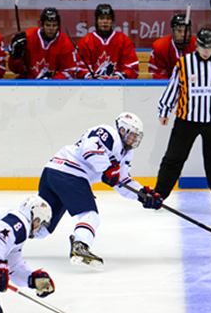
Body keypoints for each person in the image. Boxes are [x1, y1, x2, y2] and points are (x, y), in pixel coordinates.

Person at [36, 112, 161, 269]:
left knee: (41, 229)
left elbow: (121, 181)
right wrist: (107, 169)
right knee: (90, 216)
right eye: (133, 135)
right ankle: (80, 246)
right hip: (70, 173)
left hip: (54, 171)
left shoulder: (127, 153)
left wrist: (142, 194)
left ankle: (10, 230)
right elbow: (89, 149)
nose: (135, 140)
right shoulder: (109, 133)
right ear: (123, 130)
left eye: (137, 137)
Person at [155, 28, 211, 206]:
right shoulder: (184, 63)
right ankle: (159, 194)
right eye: (203, 47)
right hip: (186, 121)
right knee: (173, 158)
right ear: (196, 46)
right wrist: (165, 110)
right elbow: (173, 87)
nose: (206, 51)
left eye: (210, 47)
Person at [7, 7, 79, 79]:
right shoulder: (29, 36)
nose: (51, 28)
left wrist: (50, 82)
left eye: (54, 25)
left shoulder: (65, 43)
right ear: (41, 25)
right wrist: (15, 57)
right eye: (47, 25)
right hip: (28, 82)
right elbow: (15, 69)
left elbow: (68, 72)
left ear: (58, 26)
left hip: (54, 85)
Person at [75, 4, 138, 79]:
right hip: (92, 85)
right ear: (96, 21)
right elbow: (80, 68)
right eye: (101, 18)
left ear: (112, 21)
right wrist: (89, 76)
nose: (105, 22)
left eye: (108, 19)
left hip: (118, 85)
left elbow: (131, 67)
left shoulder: (123, 40)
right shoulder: (86, 41)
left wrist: (120, 76)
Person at [148, 12, 196, 80]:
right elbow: (158, 74)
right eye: (179, 31)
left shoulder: (197, 45)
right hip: (167, 84)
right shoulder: (160, 47)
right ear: (173, 31)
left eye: (186, 31)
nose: (183, 34)